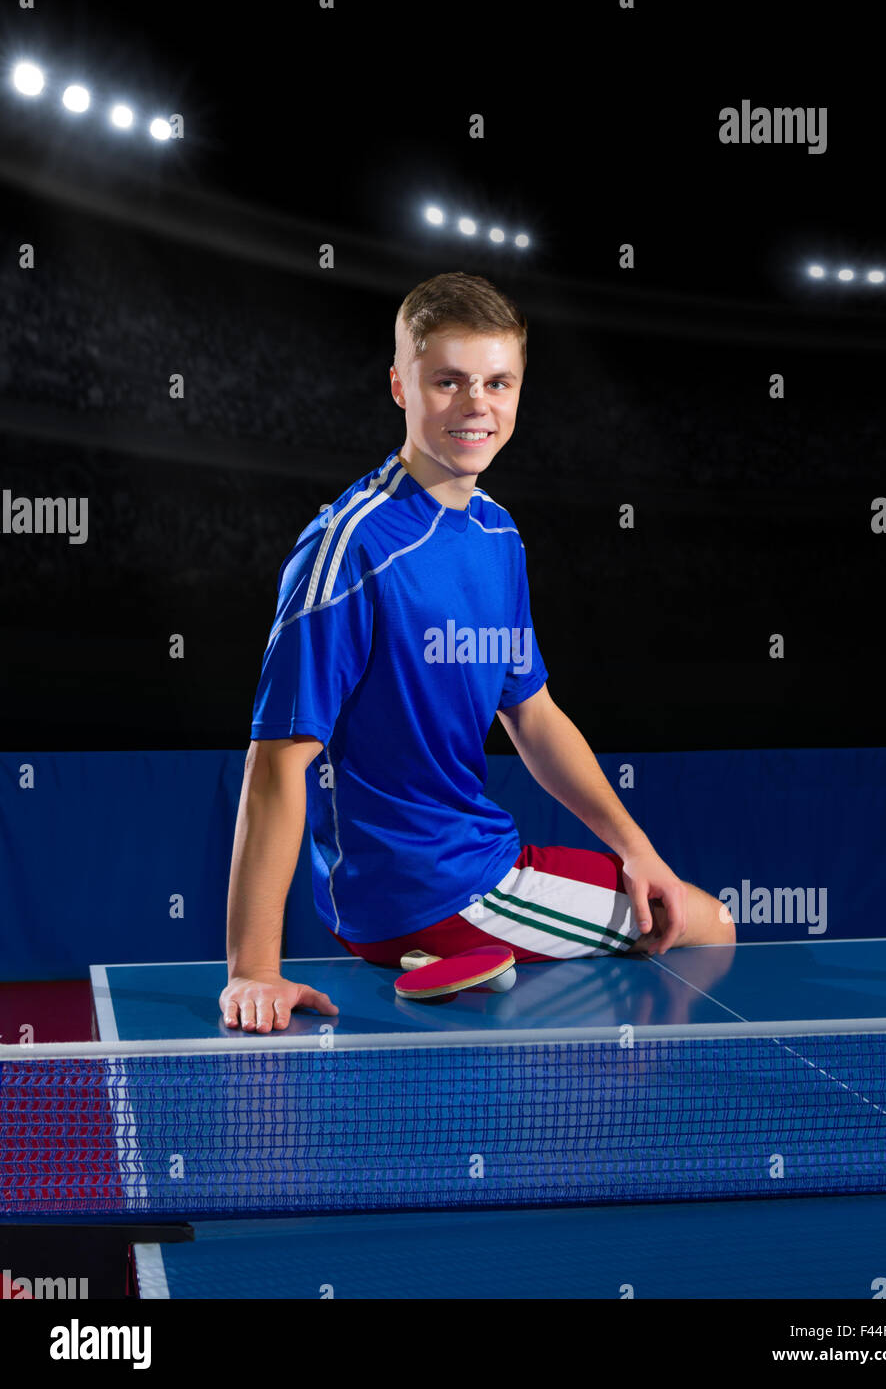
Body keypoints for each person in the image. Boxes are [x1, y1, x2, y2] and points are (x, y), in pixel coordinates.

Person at [220, 271, 734, 1033]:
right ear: (400, 386)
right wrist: (255, 971)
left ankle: (458, 978)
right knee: (708, 923)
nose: (476, 405)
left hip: (458, 870)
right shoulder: (350, 545)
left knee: (644, 911)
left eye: (498, 382)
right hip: (434, 886)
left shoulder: (498, 534)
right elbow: (276, 762)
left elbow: (532, 715)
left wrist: (636, 850)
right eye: (448, 381)